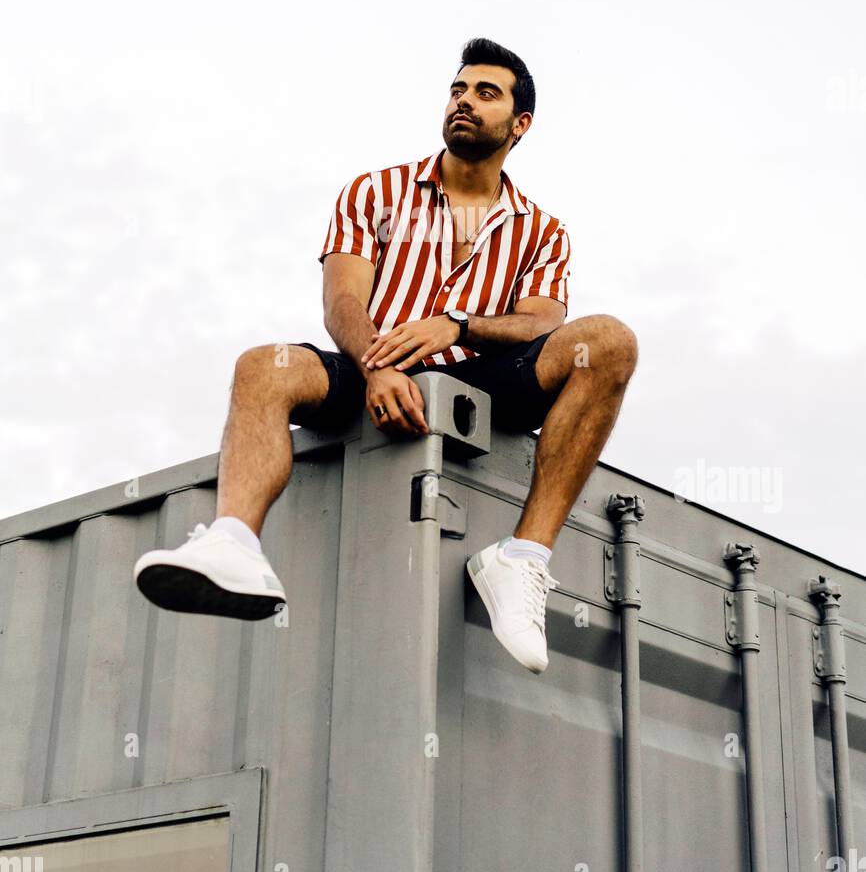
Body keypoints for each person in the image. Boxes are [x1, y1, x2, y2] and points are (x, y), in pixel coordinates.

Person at [133, 38, 638, 673]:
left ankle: (523, 559)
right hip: (372, 359)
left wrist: (457, 326)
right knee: (263, 365)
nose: (465, 102)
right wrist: (377, 366)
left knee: (610, 342)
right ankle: (233, 544)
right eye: (458, 89)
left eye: (486, 94)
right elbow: (342, 301)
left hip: (480, 379)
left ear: (520, 123)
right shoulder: (376, 191)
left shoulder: (544, 230)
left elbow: (541, 321)